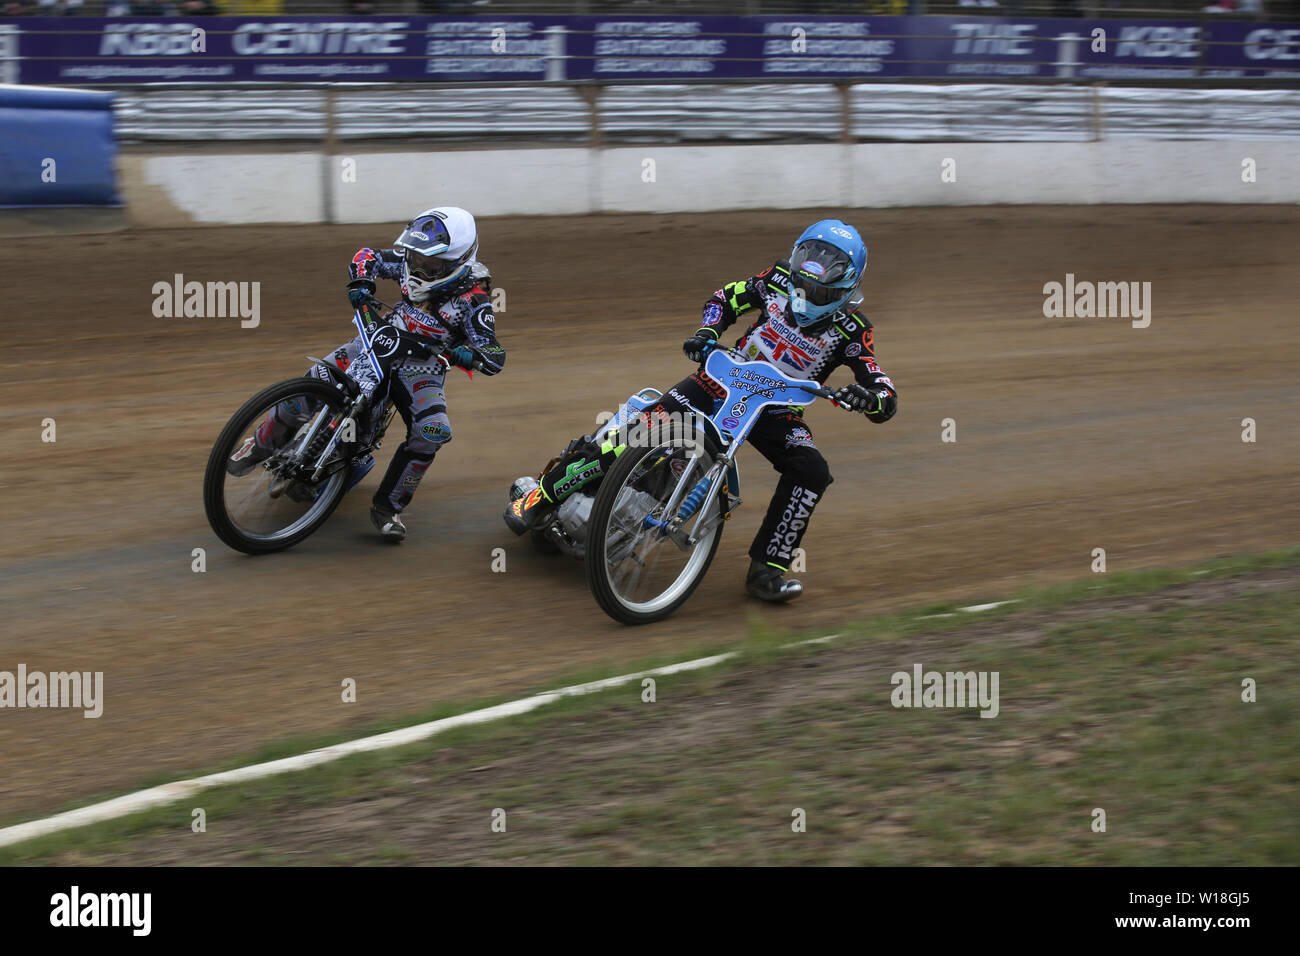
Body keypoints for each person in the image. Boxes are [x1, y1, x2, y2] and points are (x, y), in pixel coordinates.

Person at [504, 219, 897, 602]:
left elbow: (882, 389)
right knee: (634, 433)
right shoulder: (775, 278)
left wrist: (870, 399)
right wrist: (708, 332)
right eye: (803, 283)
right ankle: (541, 497)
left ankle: (768, 569)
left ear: (847, 290)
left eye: (821, 293)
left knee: (811, 471)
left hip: (777, 410)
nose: (807, 296)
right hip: (717, 382)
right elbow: (726, 298)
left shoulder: (853, 330)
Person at [229, 206, 505, 541]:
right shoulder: (410, 261)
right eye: (414, 257)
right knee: (311, 383)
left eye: (428, 263)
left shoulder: (474, 299)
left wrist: (469, 355)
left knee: (432, 431)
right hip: (380, 338)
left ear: (456, 263)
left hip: (423, 366)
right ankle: (258, 446)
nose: (415, 267)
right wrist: (361, 281)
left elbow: (494, 355)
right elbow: (368, 256)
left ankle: (389, 507)